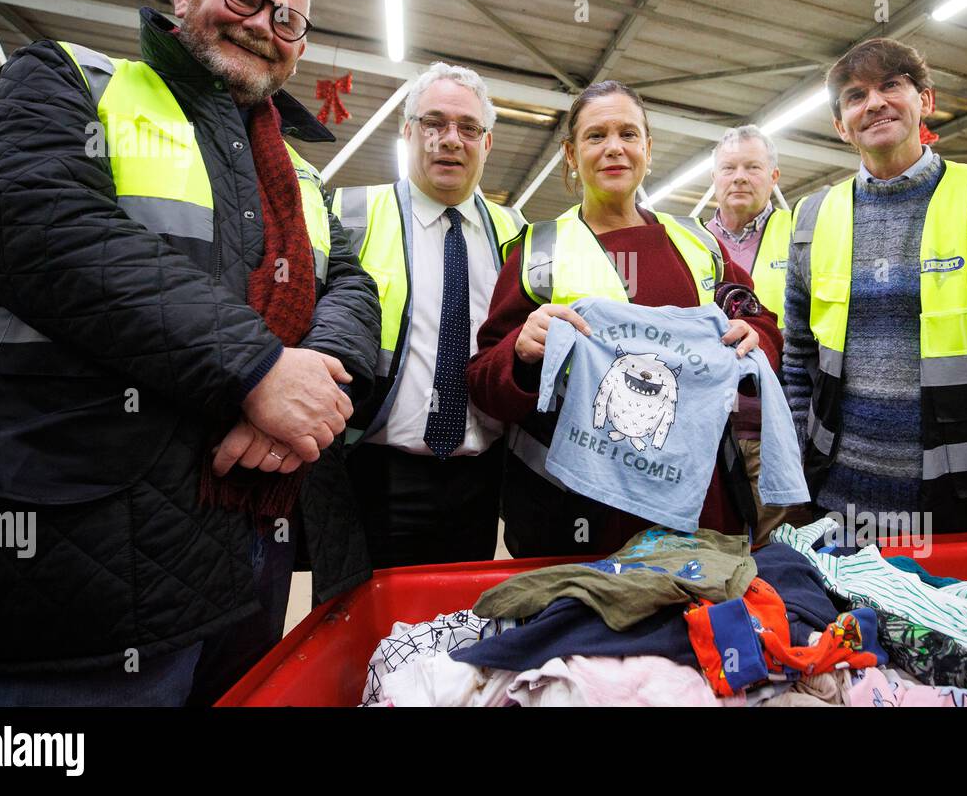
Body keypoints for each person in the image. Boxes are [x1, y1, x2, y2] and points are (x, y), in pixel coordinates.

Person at [0, 0, 381, 706]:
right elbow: (35, 220)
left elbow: (350, 283)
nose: (261, 26)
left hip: (251, 535)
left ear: (299, 50)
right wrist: (258, 371)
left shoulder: (301, 175)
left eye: (287, 19)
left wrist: (316, 376)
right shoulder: (71, 82)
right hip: (84, 537)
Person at [468, 80, 784, 557]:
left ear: (647, 149)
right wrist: (520, 350)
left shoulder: (699, 245)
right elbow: (484, 380)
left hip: (696, 504)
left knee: (693, 626)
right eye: (596, 136)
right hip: (576, 512)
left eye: (628, 134)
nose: (614, 148)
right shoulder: (540, 252)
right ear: (571, 155)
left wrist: (753, 337)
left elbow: (760, 323)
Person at [783, 37, 967, 550]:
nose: (874, 103)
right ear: (840, 124)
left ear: (926, 101)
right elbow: (798, 360)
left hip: (965, 502)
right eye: (854, 96)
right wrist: (790, 472)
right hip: (835, 502)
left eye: (890, 85)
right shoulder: (812, 217)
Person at [330, 62, 524, 568]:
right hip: (372, 469)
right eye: (434, 123)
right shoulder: (351, 213)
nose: (449, 139)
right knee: (365, 631)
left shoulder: (518, 235)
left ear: (487, 144)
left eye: (467, 128)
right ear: (409, 130)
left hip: (480, 482)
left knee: (456, 633)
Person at [703, 125, 811, 538]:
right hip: (707, 437)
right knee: (711, 553)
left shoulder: (802, 235)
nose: (739, 177)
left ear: (774, 176)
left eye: (752, 167)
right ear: (714, 178)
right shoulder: (689, 242)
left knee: (778, 552)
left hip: (778, 432)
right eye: (728, 168)